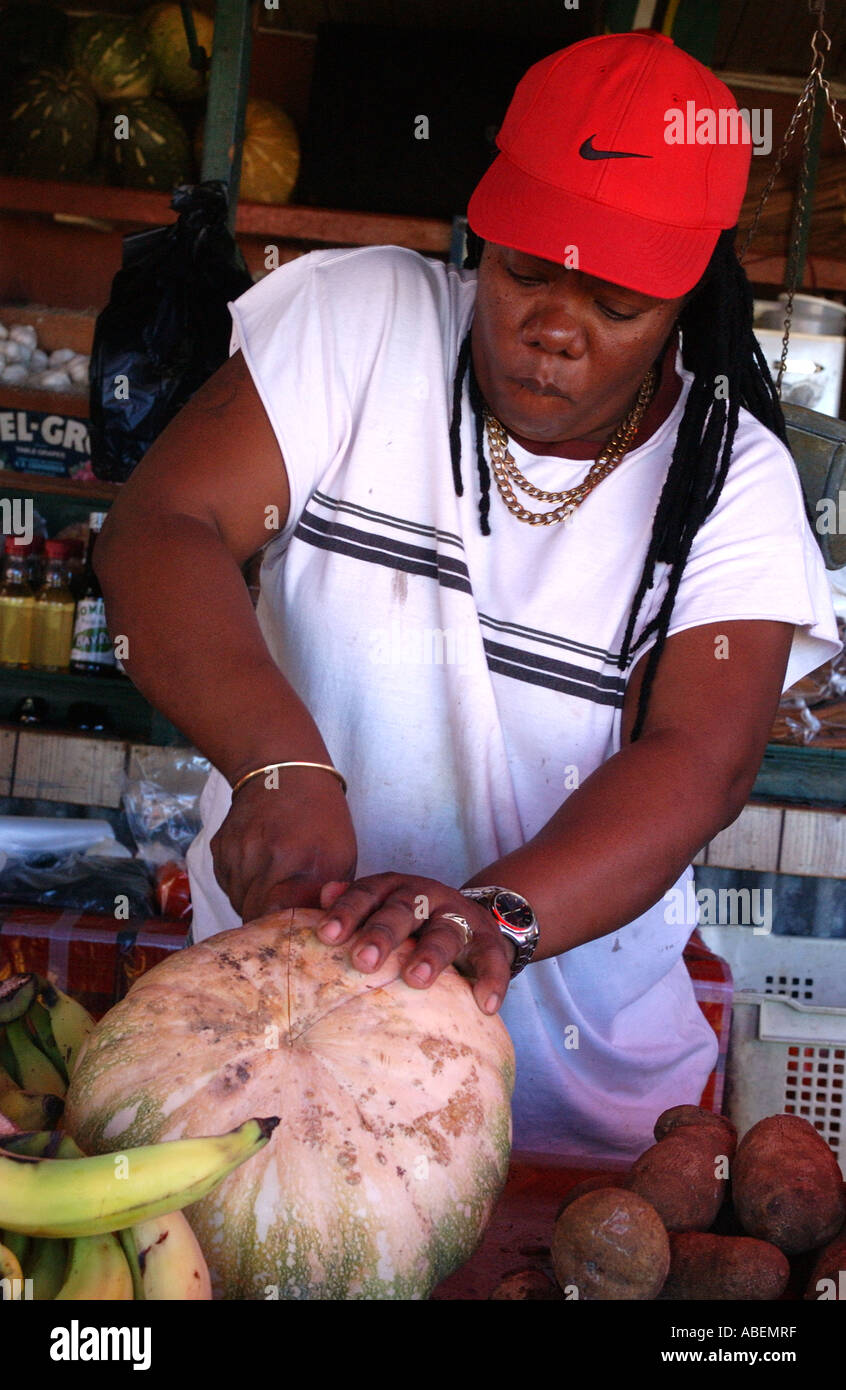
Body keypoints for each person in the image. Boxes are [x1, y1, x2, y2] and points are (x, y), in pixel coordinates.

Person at [96, 31, 841, 1162]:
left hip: (568, 1121)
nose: (553, 329)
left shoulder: (733, 483)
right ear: (477, 237)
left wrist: (491, 917)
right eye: (524, 270)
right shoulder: (360, 323)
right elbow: (163, 526)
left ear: (691, 295)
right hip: (259, 1059)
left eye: (616, 303)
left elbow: (702, 758)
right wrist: (277, 765)